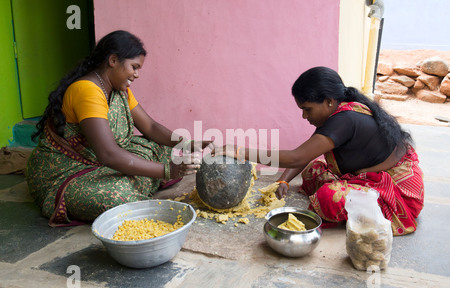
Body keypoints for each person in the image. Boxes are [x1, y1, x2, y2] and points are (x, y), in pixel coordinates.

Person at [27, 30, 210, 227]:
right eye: (134, 67)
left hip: (103, 160)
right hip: (70, 170)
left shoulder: (118, 90)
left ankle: (140, 180)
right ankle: (138, 184)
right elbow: (108, 154)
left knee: (164, 148)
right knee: (118, 197)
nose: (137, 75)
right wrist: (168, 171)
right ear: (113, 60)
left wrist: (187, 143)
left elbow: (150, 126)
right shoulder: (87, 90)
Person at [214, 66, 424, 236]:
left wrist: (240, 151)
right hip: (364, 176)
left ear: (329, 101)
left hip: (397, 189)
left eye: (307, 109)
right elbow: (307, 154)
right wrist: (284, 181)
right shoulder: (339, 113)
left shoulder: (345, 120)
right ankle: (353, 195)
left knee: (327, 197)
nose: (305, 116)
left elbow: (298, 156)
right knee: (313, 170)